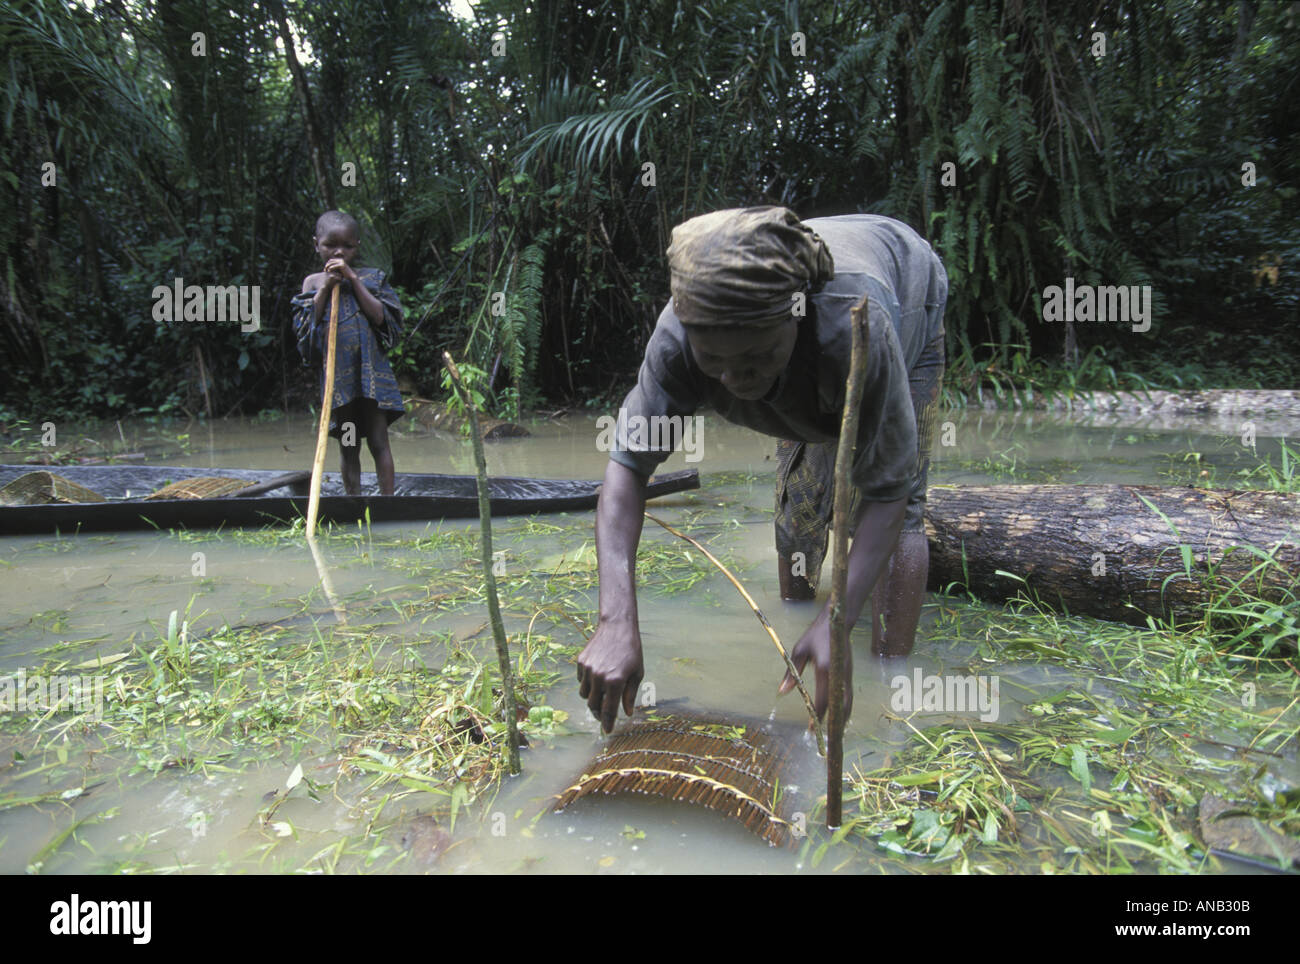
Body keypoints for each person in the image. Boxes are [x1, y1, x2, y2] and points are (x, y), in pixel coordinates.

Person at [577, 206, 947, 732]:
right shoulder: (679, 341)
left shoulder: (853, 325)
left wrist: (837, 624)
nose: (731, 379)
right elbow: (627, 469)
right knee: (800, 511)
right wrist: (615, 621)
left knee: (900, 504)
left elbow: (888, 492)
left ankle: (888, 680)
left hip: (908, 292)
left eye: (753, 357)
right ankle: (800, 621)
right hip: (810, 368)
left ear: (794, 317)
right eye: (714, 361)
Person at [292, 211, 405, 495]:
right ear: (317, 244)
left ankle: (389, 503)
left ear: (357, 245)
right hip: (339, 382)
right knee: (349, 442)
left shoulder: (372, 278)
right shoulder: (313, 282)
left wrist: (352, 280)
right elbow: (306, 327)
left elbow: (383, 318)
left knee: (379, 441)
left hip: (371, 380)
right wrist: (327, 287)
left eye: (347, 246)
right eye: (331, 245)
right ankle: (354, 503)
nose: (339, 252)